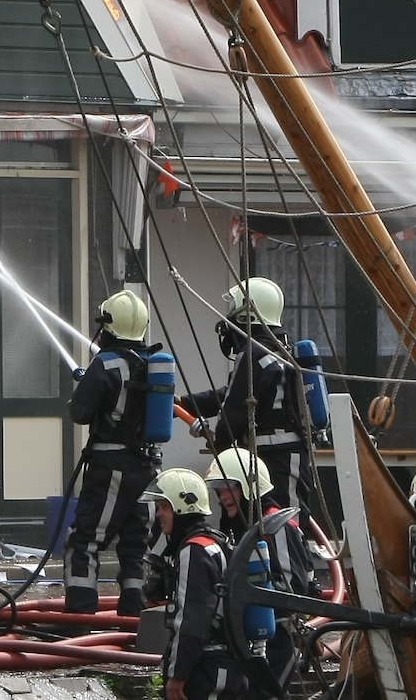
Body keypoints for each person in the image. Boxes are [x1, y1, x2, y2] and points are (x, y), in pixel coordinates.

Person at [64, 288, 162, 617]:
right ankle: (136, 617)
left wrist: (85, 386)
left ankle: (79, 616)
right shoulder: (152, 363)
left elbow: (80, 412)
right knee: (135, 544)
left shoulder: (104, 363)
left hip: (111, 466)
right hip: (149, 467)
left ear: (108, 326)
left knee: (86, 540)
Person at [181, 279, 309, 510]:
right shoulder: (280, 348)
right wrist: (187, 403)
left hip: (273, 456)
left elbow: (234, 410)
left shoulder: (252, 353)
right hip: (288, 454)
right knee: (285, 518)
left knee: (281, 521)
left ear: (247, 313)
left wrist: (220, 442)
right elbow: (235, 394)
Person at [208, 447, 312, 692]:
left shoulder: (276, 526)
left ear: (248, 487)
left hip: (278, 636)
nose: (223, 496)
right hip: (248, 635)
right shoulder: (241, 528)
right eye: (219, 490)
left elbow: (293, 585)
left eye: (229, 488)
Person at [149, 467, 247, 700]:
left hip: (208, 669)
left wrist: (178, 675)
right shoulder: (212, 543)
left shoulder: (194, 550)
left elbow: (193, 617)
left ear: (183, 508)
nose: (158, 515)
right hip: (224, 666)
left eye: (164, 507)